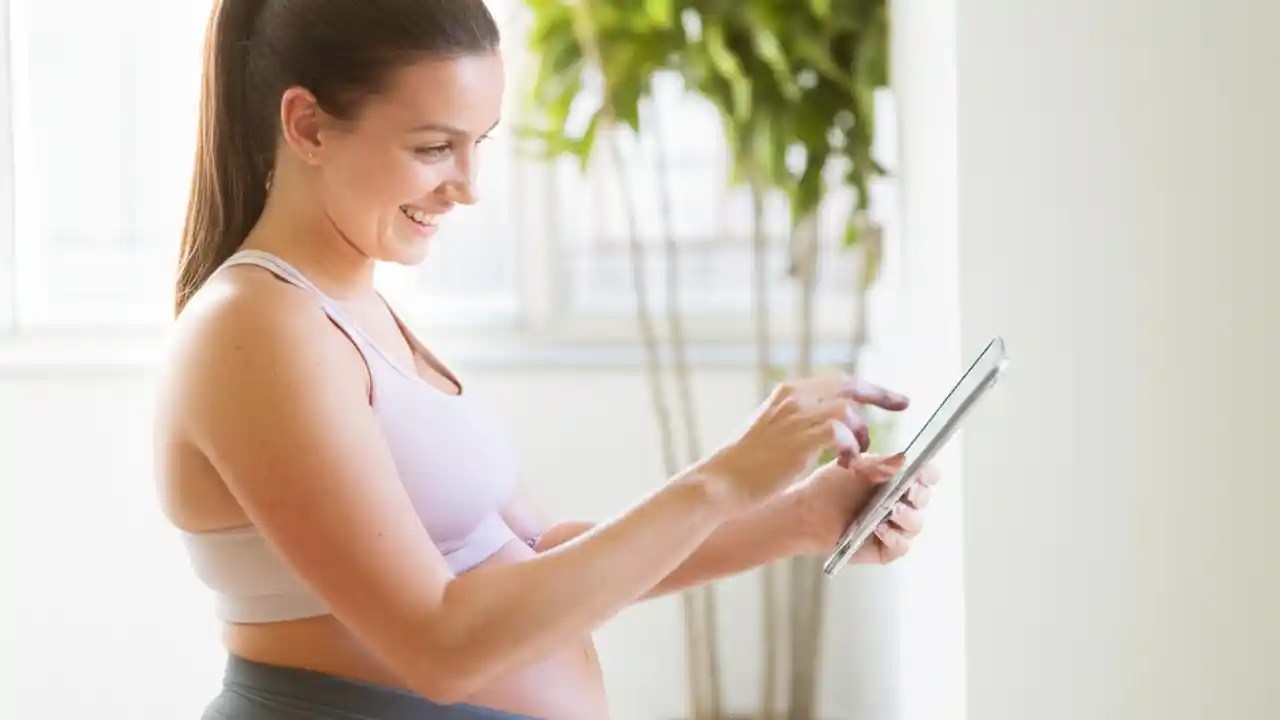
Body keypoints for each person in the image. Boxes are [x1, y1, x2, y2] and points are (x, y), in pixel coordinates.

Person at [153, 1, 941, 718]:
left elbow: (537, 555)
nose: (467, 187)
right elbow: (440, 647)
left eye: (479, 143)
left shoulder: (352, 311)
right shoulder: (255, 328)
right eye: (434, 147)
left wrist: (800, 516)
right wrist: (723, 480)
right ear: (308, 126)